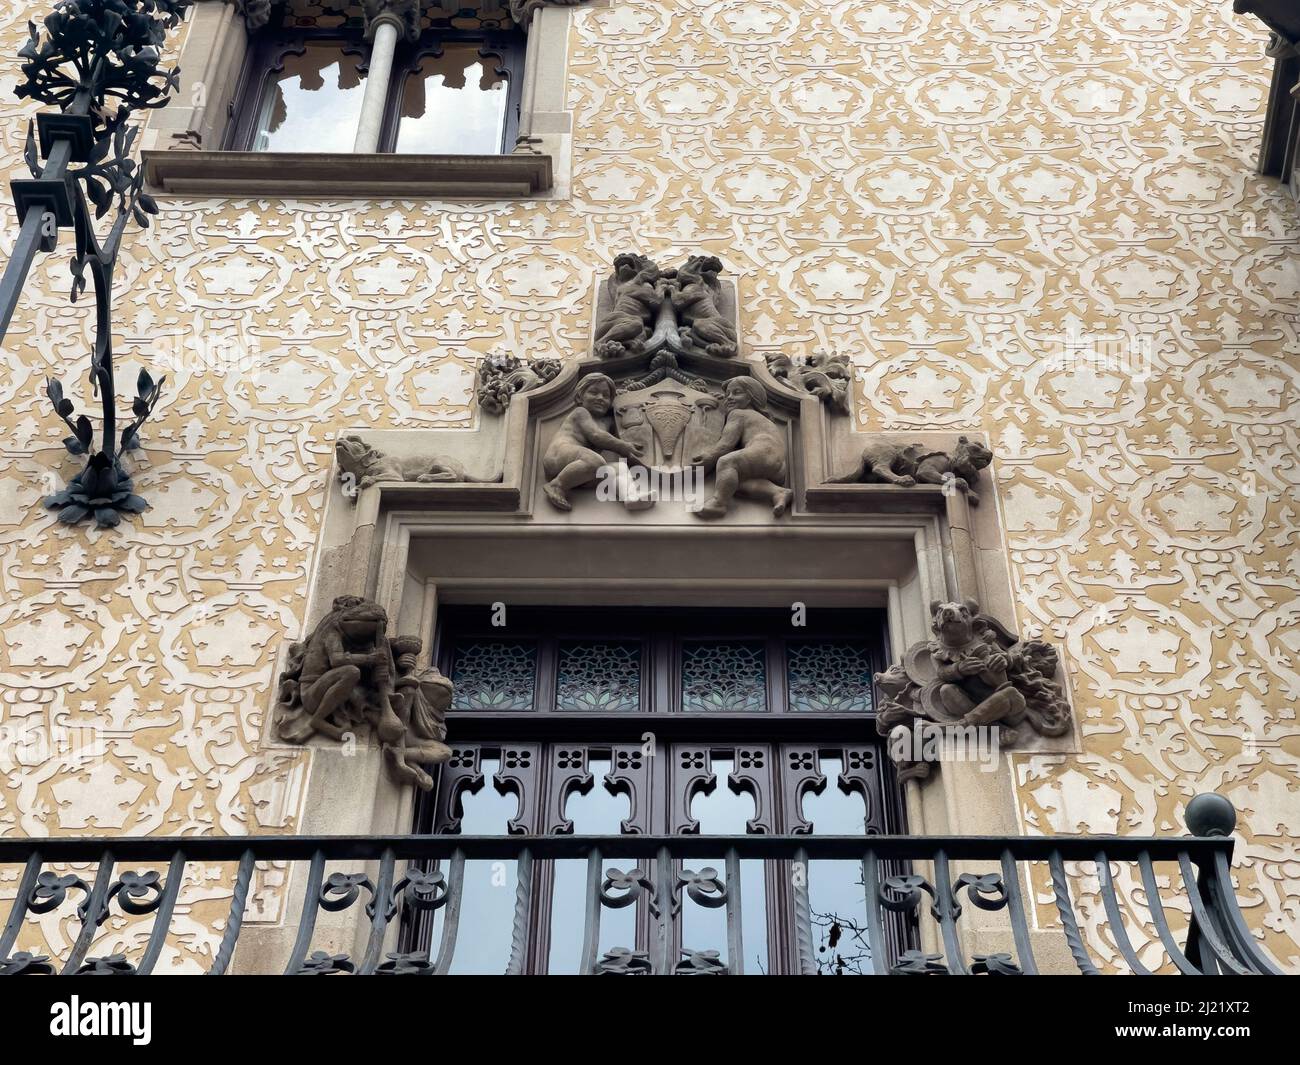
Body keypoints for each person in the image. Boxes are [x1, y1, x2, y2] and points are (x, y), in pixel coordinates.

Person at [690, 377, 792, 518]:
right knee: (734, 484)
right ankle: (777, 492)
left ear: (751, 396)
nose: (730, 398)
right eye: (727, 395)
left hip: (763, 452)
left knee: (727, 462)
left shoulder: (738, 414)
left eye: (737, 392)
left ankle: (718, 504)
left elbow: (726, 444)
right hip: (777, 466)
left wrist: (709, 456)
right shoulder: (763, 420)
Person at [542, 373, 644, 510]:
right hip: (559, 455)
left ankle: (631, 497)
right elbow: (596, 435)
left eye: (606, 396)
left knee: (619, 469)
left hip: (583, 471)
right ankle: (556, 485)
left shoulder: (605, 422)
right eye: (594, 392)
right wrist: (623, 446)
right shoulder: (580, 412)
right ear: (579, 397)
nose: (600, 398)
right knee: (596, 461)